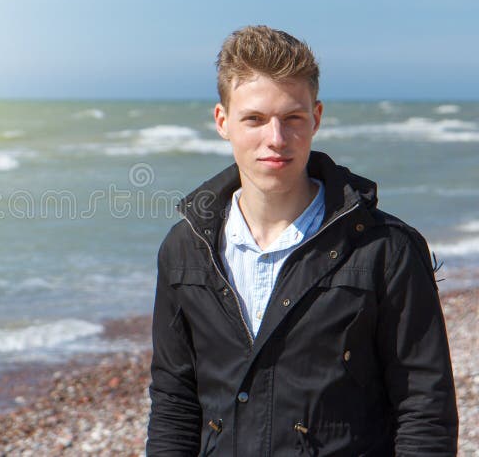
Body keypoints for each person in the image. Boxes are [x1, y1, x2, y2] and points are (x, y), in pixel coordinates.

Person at [147, 25, 458, 456]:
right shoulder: (185, 249)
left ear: (316, 118)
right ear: (223, 121)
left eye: (292, 118)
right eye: (254, 119)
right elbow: (174, 401)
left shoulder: (386, 250)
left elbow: (425, 407)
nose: (275, 138)